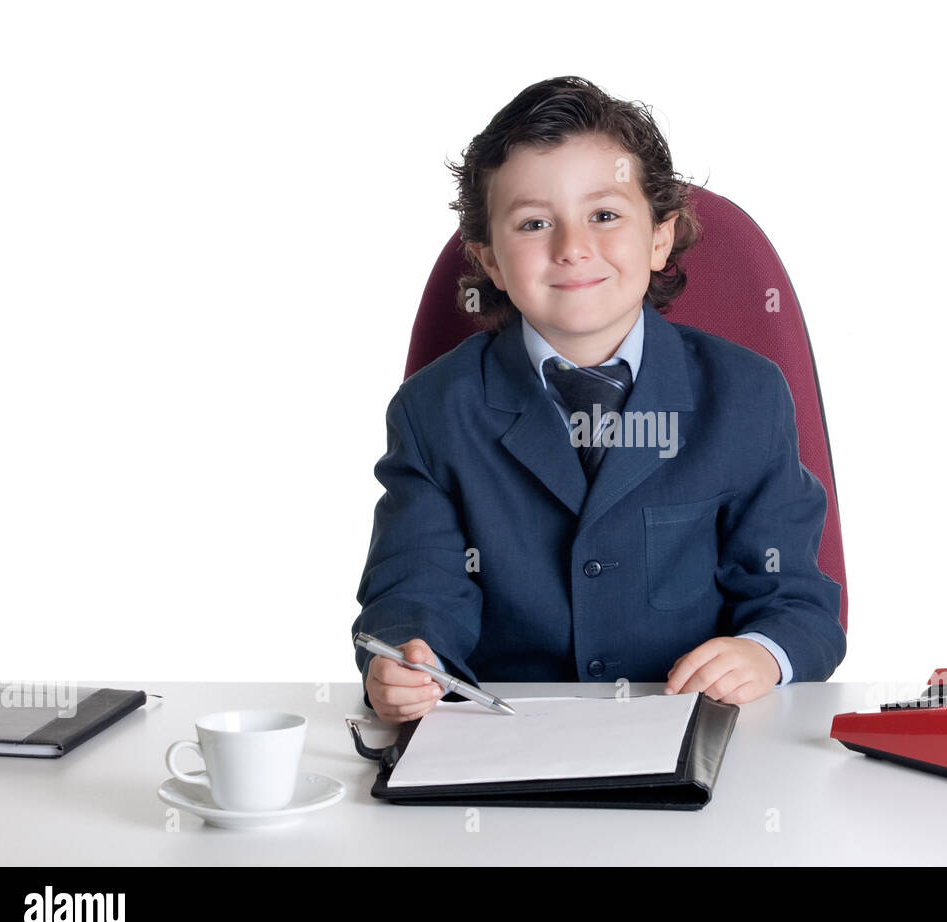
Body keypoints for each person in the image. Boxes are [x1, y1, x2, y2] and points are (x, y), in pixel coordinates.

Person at [353, 76, 844, 724]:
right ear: (490, 261)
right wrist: (406, 664)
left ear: (660, 237)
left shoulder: (745, 395)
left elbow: (798, 601)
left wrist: (763, 652)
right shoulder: (433, 411)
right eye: (533, 223)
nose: (572, 248)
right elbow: (416, 592)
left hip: (692, 730)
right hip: (505, 740)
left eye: (605, 215)